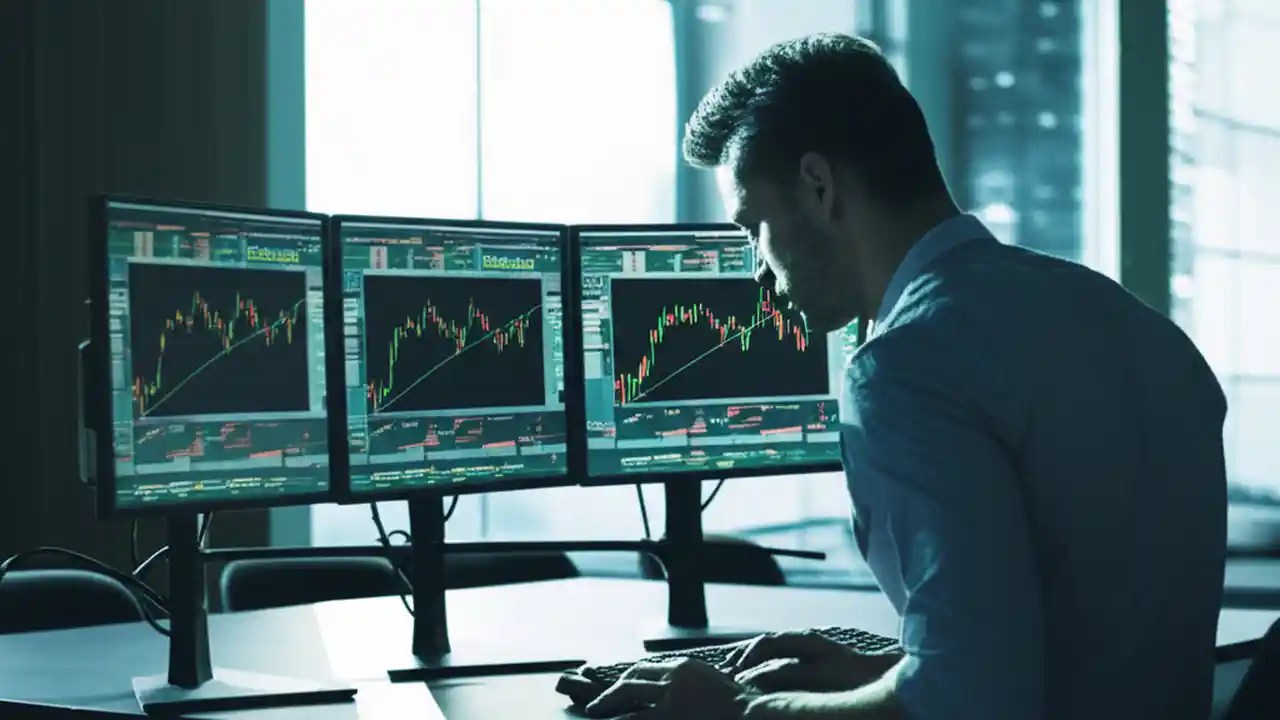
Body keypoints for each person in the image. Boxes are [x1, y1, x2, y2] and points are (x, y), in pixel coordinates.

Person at [584, 32, 1228, 720]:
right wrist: (889, 668)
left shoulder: (903, 367)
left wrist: (740, 710)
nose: (758, 274)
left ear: (819, 185)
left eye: (753, 227)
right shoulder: (1133, 324)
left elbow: (966, 706)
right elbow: (1091, 644)